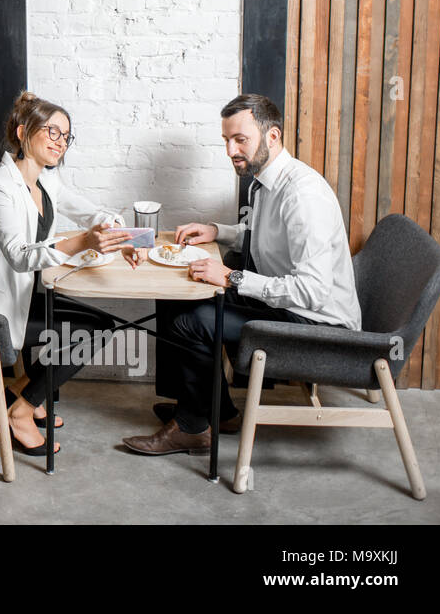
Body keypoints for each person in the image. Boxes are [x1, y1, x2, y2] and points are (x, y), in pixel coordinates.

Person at [122, 93, 362, 455]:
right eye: (226, 140)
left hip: (319, 325)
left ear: (273, 136)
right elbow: (259, 233)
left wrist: (232, 277)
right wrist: (218, 231)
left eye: (240, 140)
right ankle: (214, 411)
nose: (231, 150)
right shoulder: (268, 181)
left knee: (193, 319)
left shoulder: (302, 195)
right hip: (288, 304)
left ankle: (192, 427)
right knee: (179, 292)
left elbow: (312, 291)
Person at [0, 91, 140, 455]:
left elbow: (87, 212)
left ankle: (22, 392)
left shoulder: (46, 181)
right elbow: (20, 256)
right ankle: (20, 411)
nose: (60, 142)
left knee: (99, 326)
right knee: (88, 332)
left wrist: (116, 235)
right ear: (22, 132)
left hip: (24, 297)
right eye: (52, 132)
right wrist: (84, 241)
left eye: (66, 136)